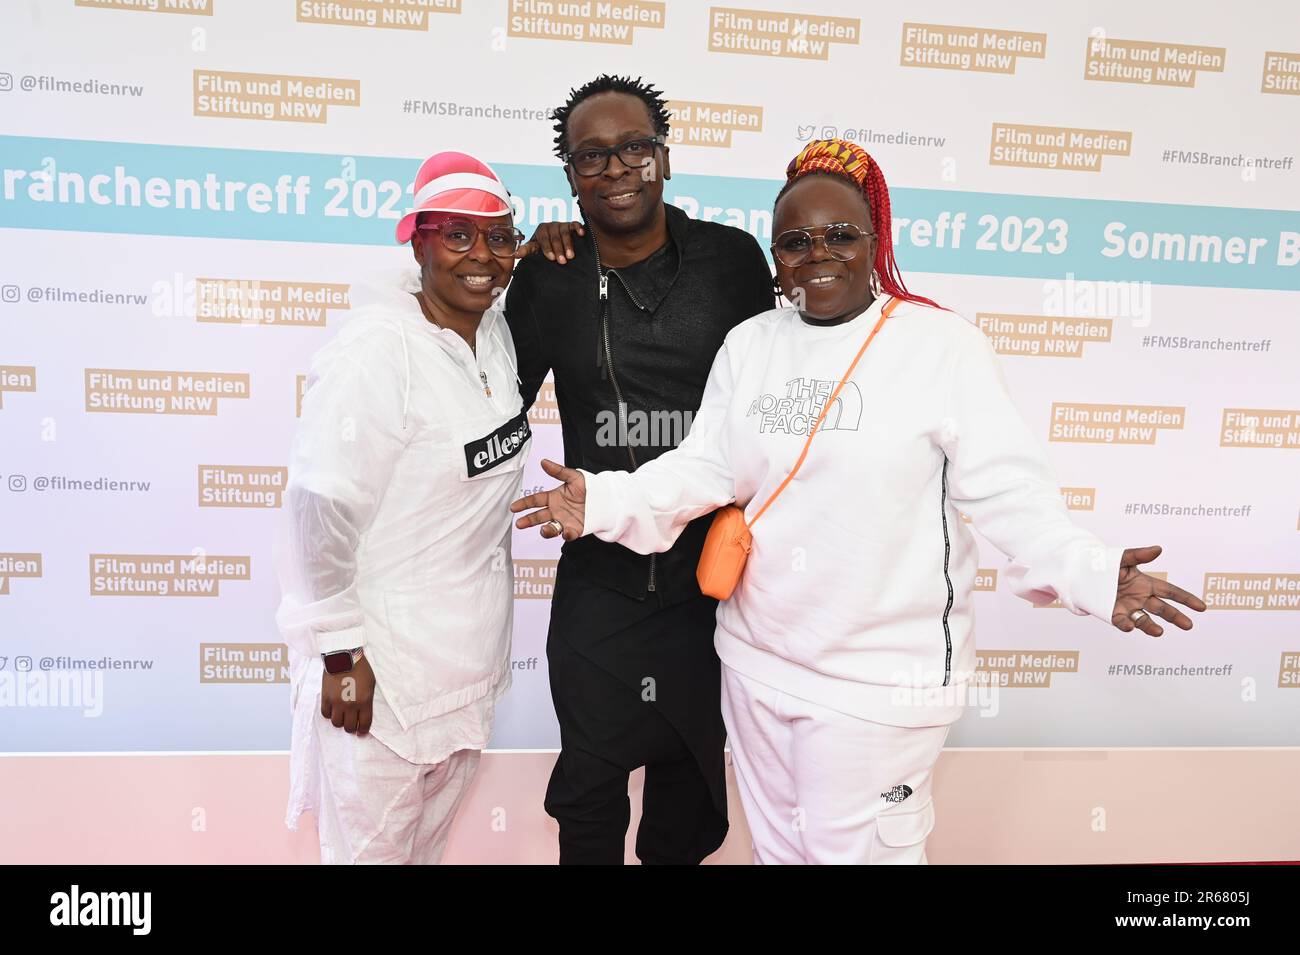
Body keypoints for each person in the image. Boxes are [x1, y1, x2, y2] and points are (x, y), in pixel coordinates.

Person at [511, 138, 1207, 865]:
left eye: (840, 235)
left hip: (879, 685)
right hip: (755, 665)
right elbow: (703, 467)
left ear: (875, 239)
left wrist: (1091, 571)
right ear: (774, 258)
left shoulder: (939, 346)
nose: (819, 254)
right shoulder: (751, 344)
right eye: (795, 241)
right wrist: (602, 499)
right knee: (781, 854)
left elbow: (1010, 492)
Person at [503, 74, 775, 864]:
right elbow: (497, 401)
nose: (616, 168)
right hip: (602, 578)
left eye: (635, 148)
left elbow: (773, 399)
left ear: (665, 157)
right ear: (570, 176)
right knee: (588, 792)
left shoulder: (731, 261)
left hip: (713, 580)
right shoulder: (550, 276)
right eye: (593, 156)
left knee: (687, 797)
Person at [275, 151, 531, 864]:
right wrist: (339, 649)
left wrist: (553, 243)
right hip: (378, 683)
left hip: (462, 675)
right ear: (417, 241)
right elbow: (316, 509)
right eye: (458, 235)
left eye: (500, 236)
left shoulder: (491, 330)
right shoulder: (377, 354)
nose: (482, 256)